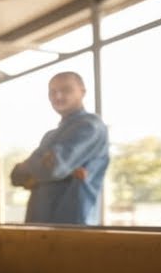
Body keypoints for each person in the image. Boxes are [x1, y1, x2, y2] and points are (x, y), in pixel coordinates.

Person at [10, 71, 109, 225]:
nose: (58, 96)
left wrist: (34, 167)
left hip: (72, 226)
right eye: (52, 92)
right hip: (40, 223)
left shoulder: (90, 126)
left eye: (66, 90)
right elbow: (17, 177)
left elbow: (53, 167)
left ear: (82, 92)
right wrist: (55, 169)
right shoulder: (50, 135)